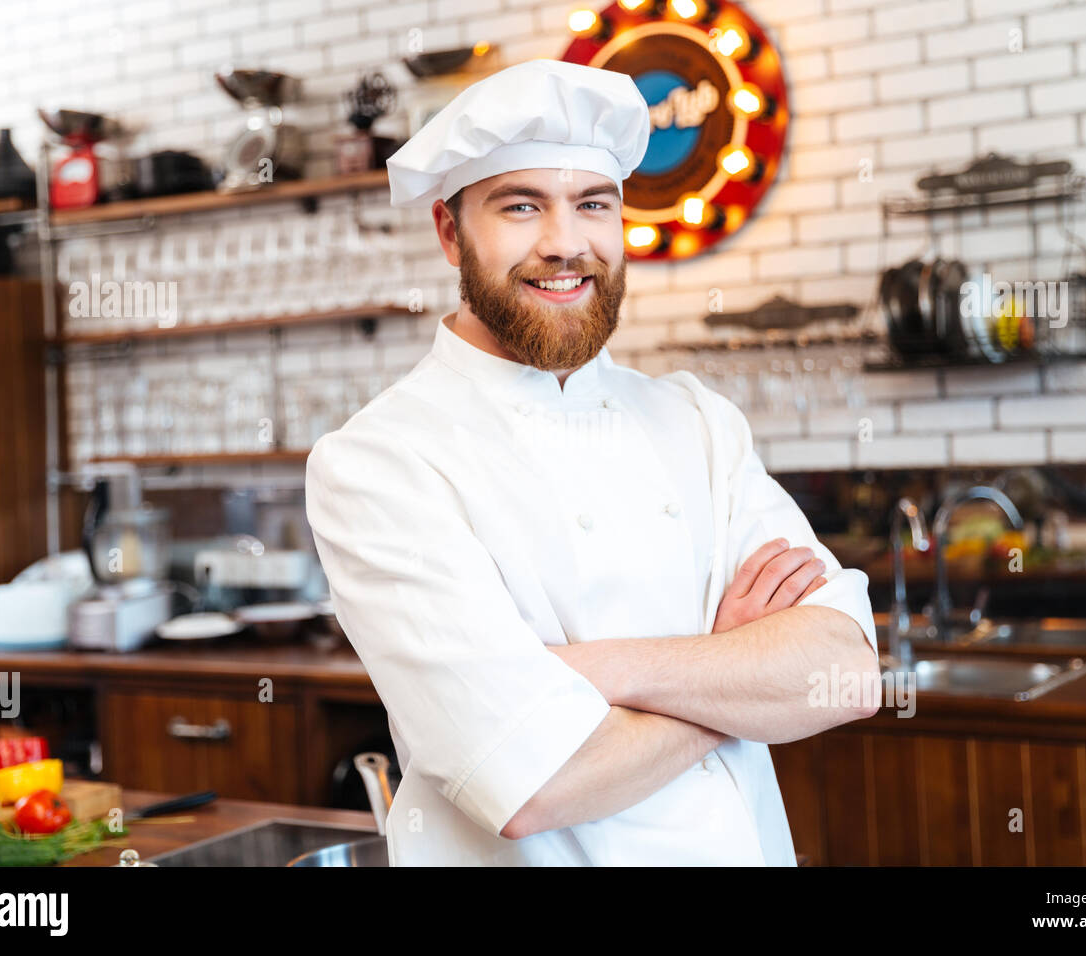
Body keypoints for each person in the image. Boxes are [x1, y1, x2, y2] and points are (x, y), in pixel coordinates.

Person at [305, 59, 879, 866]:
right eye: (520, 206)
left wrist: (586, 672)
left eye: (592, 205)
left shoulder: (697, 422)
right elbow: (534, 780)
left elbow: (846, 674)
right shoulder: (379, 462)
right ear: (448, 232)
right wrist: (734, 672)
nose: (564, 243)